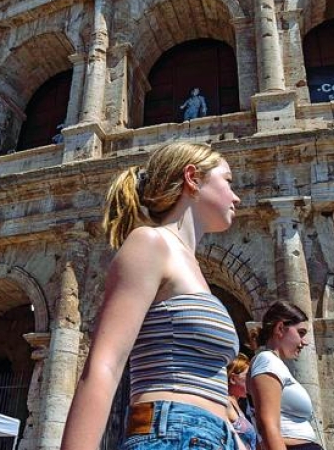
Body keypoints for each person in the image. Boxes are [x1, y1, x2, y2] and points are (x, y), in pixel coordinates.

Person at [61, 141, 242, 450]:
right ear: (192, 178)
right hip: (171, 434)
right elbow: (105, 363)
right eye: (227, 180)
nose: (236, 196)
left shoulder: (194, 269)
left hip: (213, 437)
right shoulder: (150, 243)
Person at [248, 300, 320, 450]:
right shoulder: (266, 361)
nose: (304, 342)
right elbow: (267, 425)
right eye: (300, 333)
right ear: (280, 328)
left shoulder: (274, 363)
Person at [227, 355, 257, 450]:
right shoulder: (226, 404)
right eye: (247, 376)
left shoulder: (238, 403)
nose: (252, 381)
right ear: (233, 379)